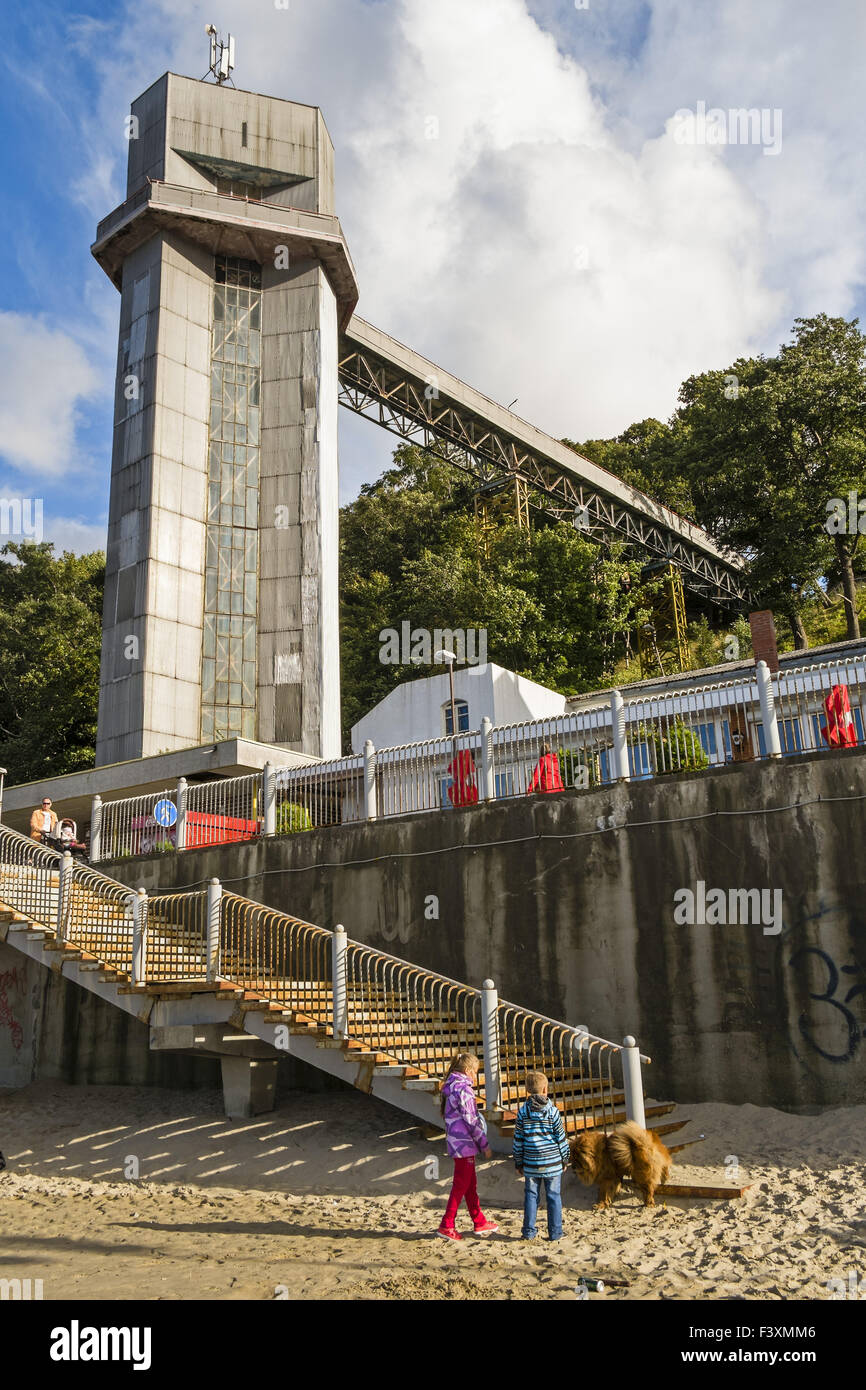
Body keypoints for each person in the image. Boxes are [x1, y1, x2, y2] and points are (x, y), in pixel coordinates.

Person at [436, 1052, 498, 1241]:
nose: (475, 1076)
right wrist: (484, 1144)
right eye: (476, 1072)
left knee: (470, 1184)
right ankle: (447, 1224)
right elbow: (471, 1121)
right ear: (468, 1071)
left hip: (456, 1141)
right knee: (461, 1184)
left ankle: (479, 1220)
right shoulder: (464, 1089)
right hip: (464, 1144)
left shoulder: (451, 1086)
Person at [513, 1070, 570, 1241]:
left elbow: (518, 1140)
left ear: (528, 1091)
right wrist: (565, 1158)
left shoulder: (523, 1113)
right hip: (552, 1162)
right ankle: (555, 1232)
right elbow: (561, 1138)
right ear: (545, 1090)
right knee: (553, 1196)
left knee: (531, 1196)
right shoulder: (553, 1112)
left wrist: (518, 1162)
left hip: (530, 1163)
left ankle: (529, 1231)